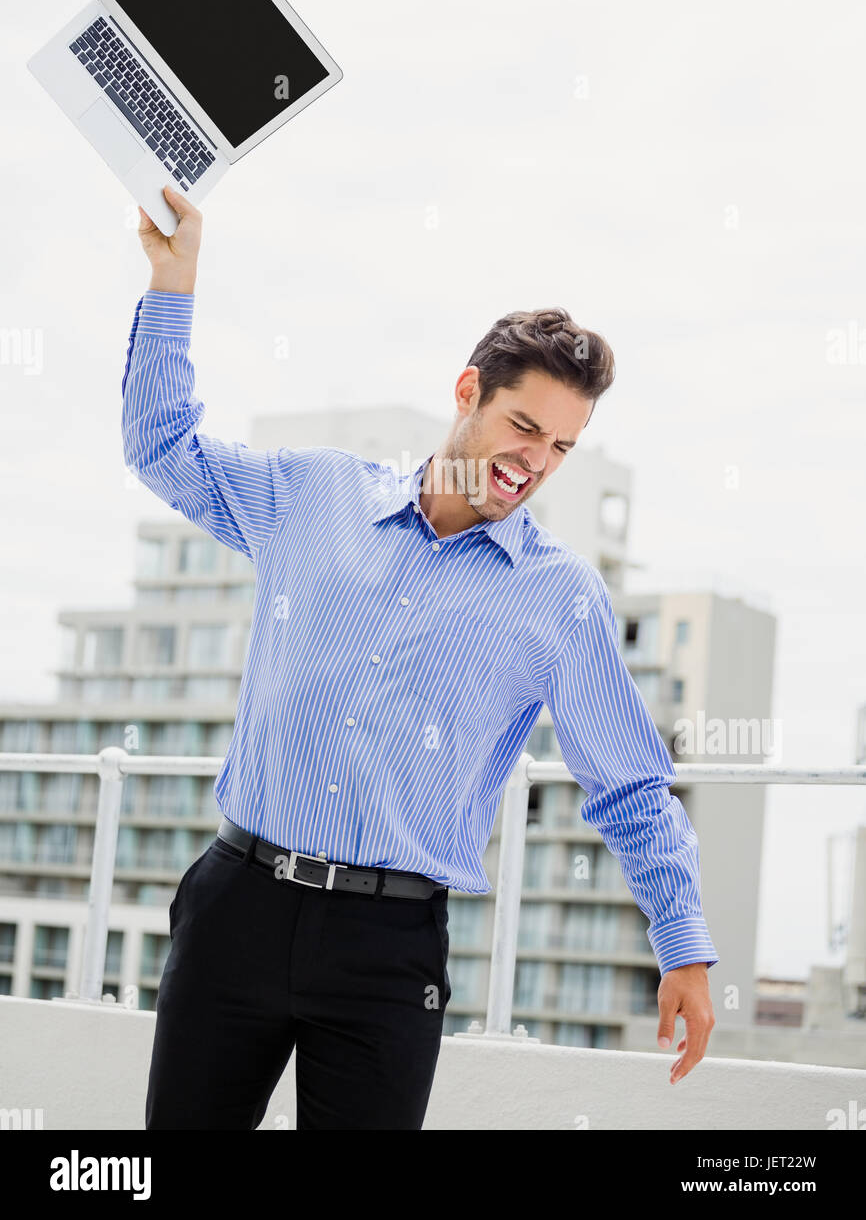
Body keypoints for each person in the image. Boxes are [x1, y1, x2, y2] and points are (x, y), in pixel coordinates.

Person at [127, 185, 716, 1130]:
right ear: (467, 393)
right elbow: (162, 449)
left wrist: (683, 945)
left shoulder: (560, 598)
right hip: (236, 906)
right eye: (524, 427)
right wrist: (173, 285)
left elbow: (632, 786)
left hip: (389, 948)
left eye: (563, 447)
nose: (536, 462)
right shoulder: (310, 497)